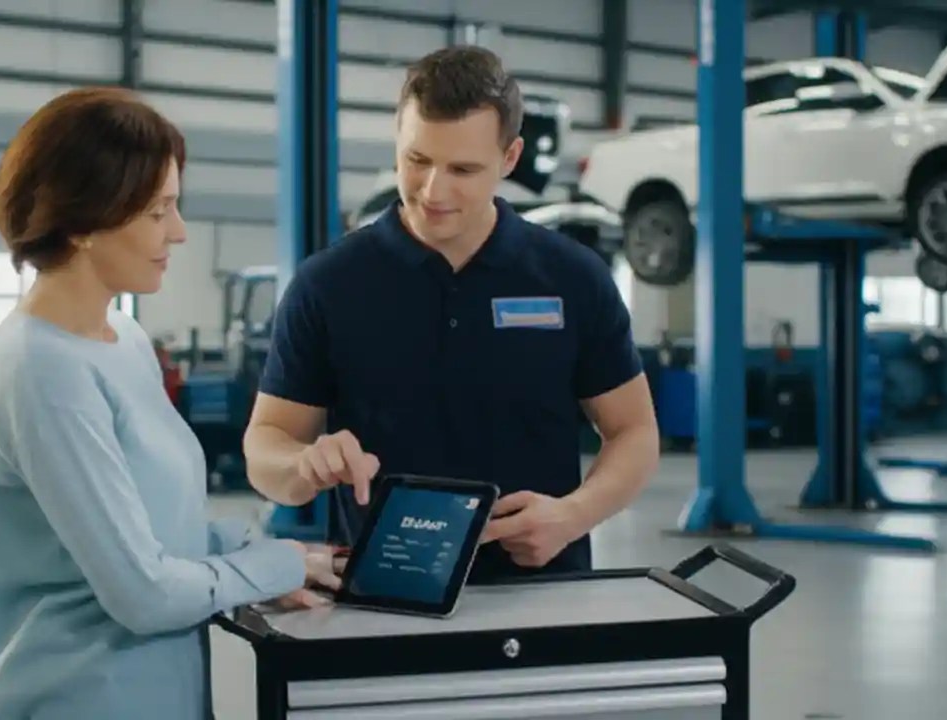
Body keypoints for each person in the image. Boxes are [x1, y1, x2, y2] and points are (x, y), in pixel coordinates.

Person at [0, 87, 339, 720]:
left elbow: (162, 527)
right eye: (159, 211)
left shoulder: (125, 340)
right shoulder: (39, 370)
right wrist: (273, 565)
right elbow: (144, 594)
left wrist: (274, 559)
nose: (180, 232)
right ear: (82, 223)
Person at [242, 46, 660, 582]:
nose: (434, 191)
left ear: (510, 159)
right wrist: (301, 465)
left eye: (463, 169)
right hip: (383, 598)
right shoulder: (329, 285)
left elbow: (634, 432)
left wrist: (574, 515)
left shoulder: (573, 279)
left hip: (543, 596)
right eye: (417, 161)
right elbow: (266, 445)